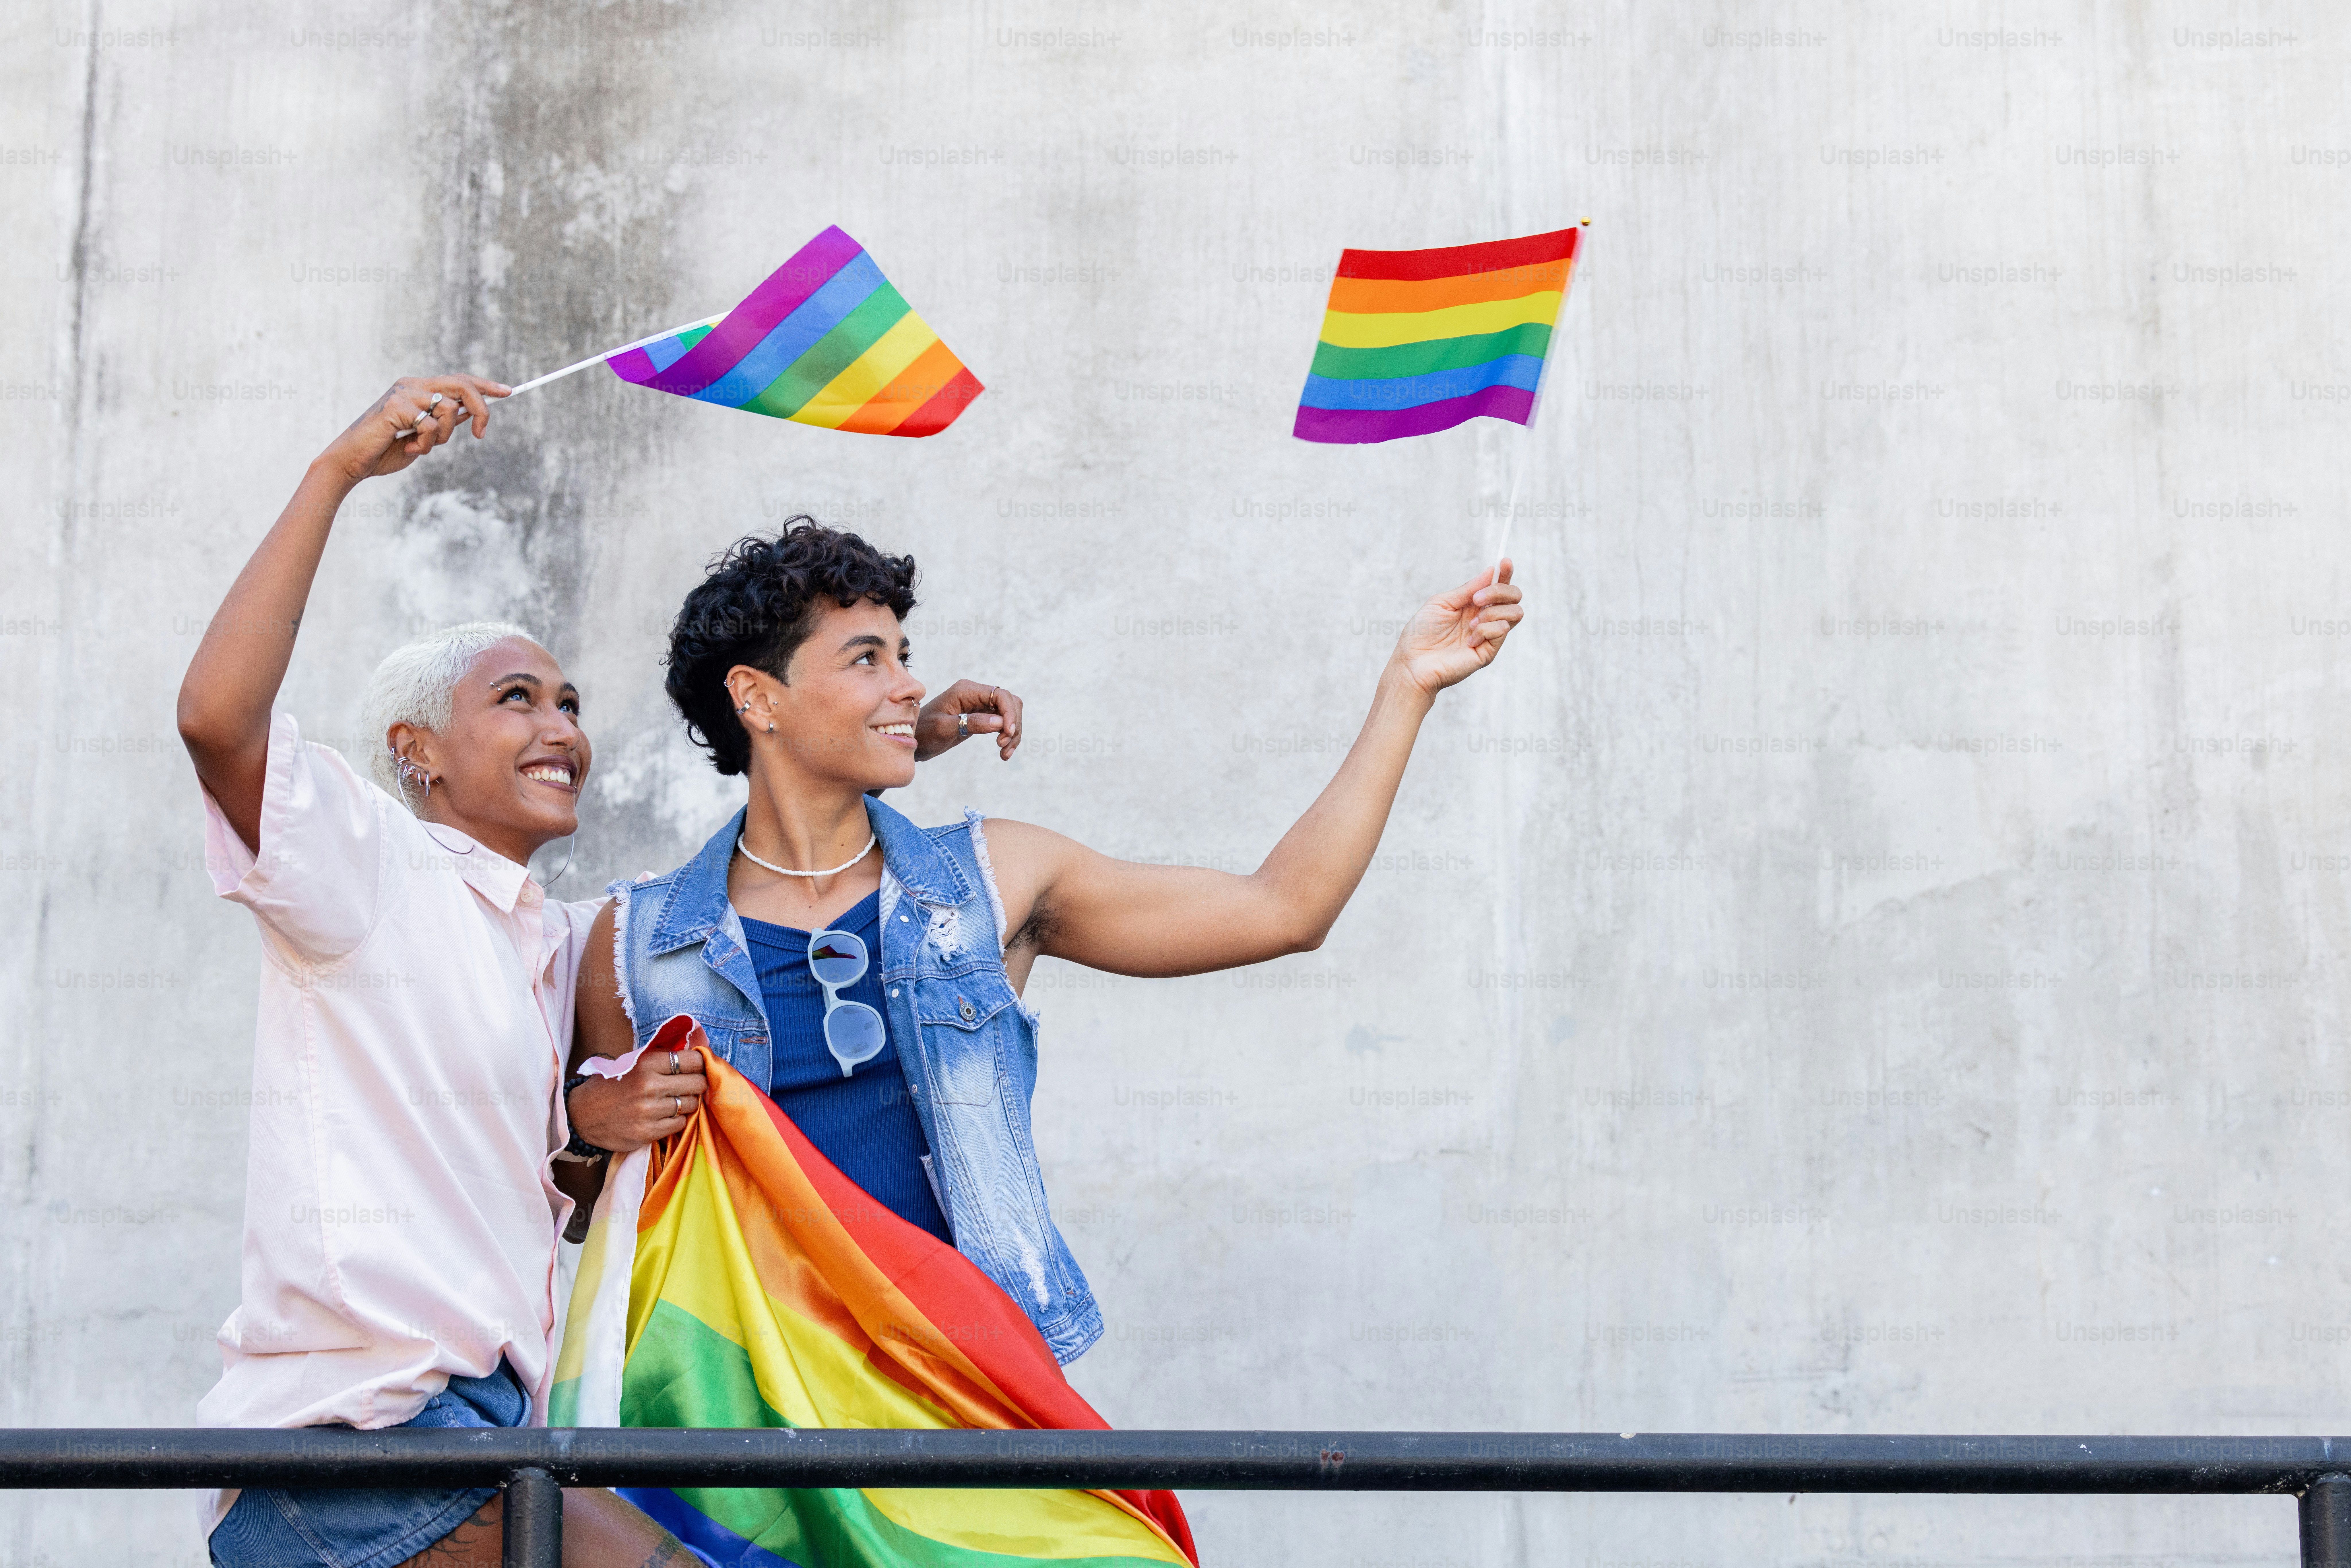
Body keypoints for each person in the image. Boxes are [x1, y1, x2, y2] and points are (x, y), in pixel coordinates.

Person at [176, 379, 1023, 1568]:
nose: (562, 728)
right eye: (514, 699)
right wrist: (335, 472)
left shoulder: (553, 936)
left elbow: (738, 886)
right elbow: (219, 722)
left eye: (570, 701)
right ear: (415, 752)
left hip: (483, 1430)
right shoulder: (363, 866)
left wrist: (883, 732)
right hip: (356, 1445)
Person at [565, 519, 1523, 1367]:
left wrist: (1408, 688)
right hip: (741, 1409)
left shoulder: (995, 882)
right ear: (757, 698)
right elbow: (567, 1196)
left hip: (970, 1385)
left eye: (906, 653)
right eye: (868, 659)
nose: (910, 683)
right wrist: (584, 1125)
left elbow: (1284, 908)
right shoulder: (637, 941)